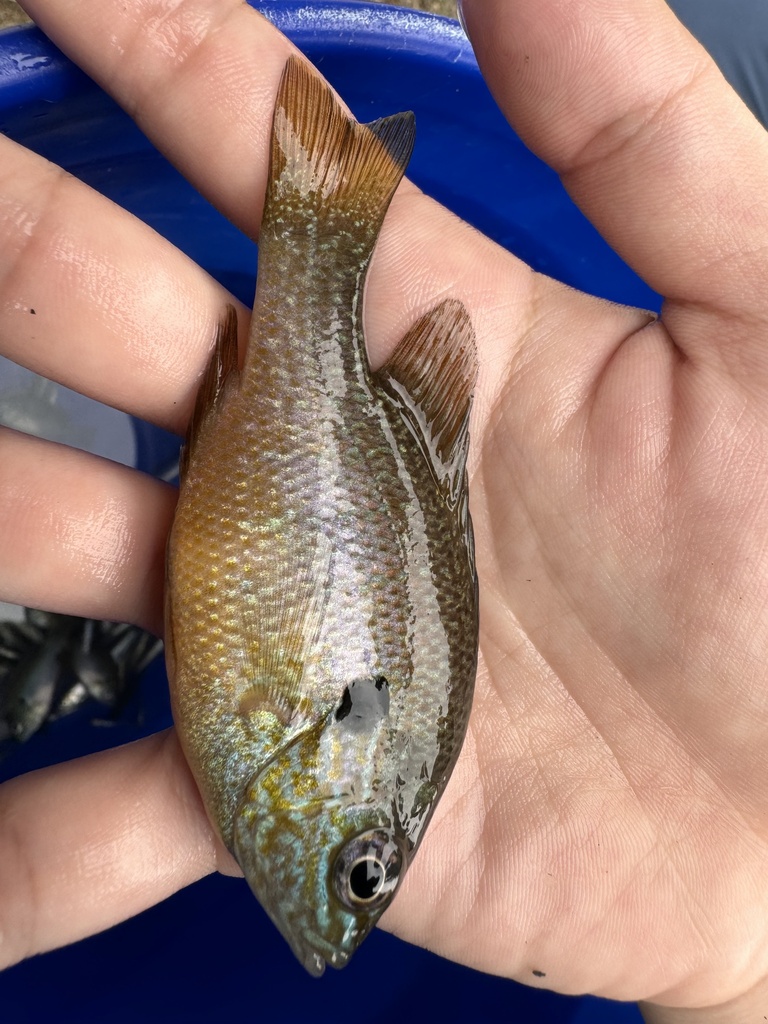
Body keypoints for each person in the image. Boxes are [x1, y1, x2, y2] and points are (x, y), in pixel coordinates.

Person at [0, 0, 767, 1020]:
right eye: (361, 871)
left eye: (365, 875)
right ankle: (326, 217)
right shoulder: (283, 740)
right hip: (308, 425)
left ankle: (324, 216)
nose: (341, 919)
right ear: (334, 761)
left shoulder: (282, 755)